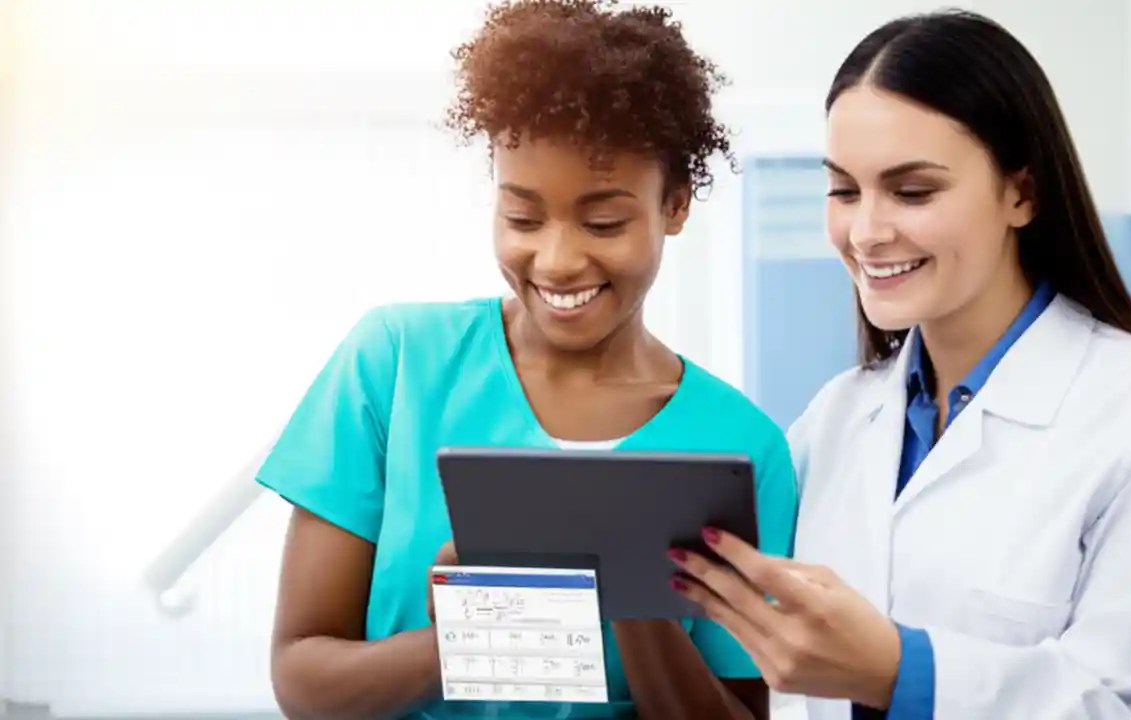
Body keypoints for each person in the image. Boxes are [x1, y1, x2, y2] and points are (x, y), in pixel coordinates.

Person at [667, 10, 1131, 720]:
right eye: (844, 190)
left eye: (912, 191)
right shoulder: (837, 418)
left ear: (1021, 192)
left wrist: (902, 674)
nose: (868, 232)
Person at [256, 2, 797, 718]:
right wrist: (474, 635)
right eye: (522, 217)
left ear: (675, 205)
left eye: (604, 222)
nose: (558, 260)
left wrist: (635, 598)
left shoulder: (742, 446)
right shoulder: (394, 365)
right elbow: (302, 679)